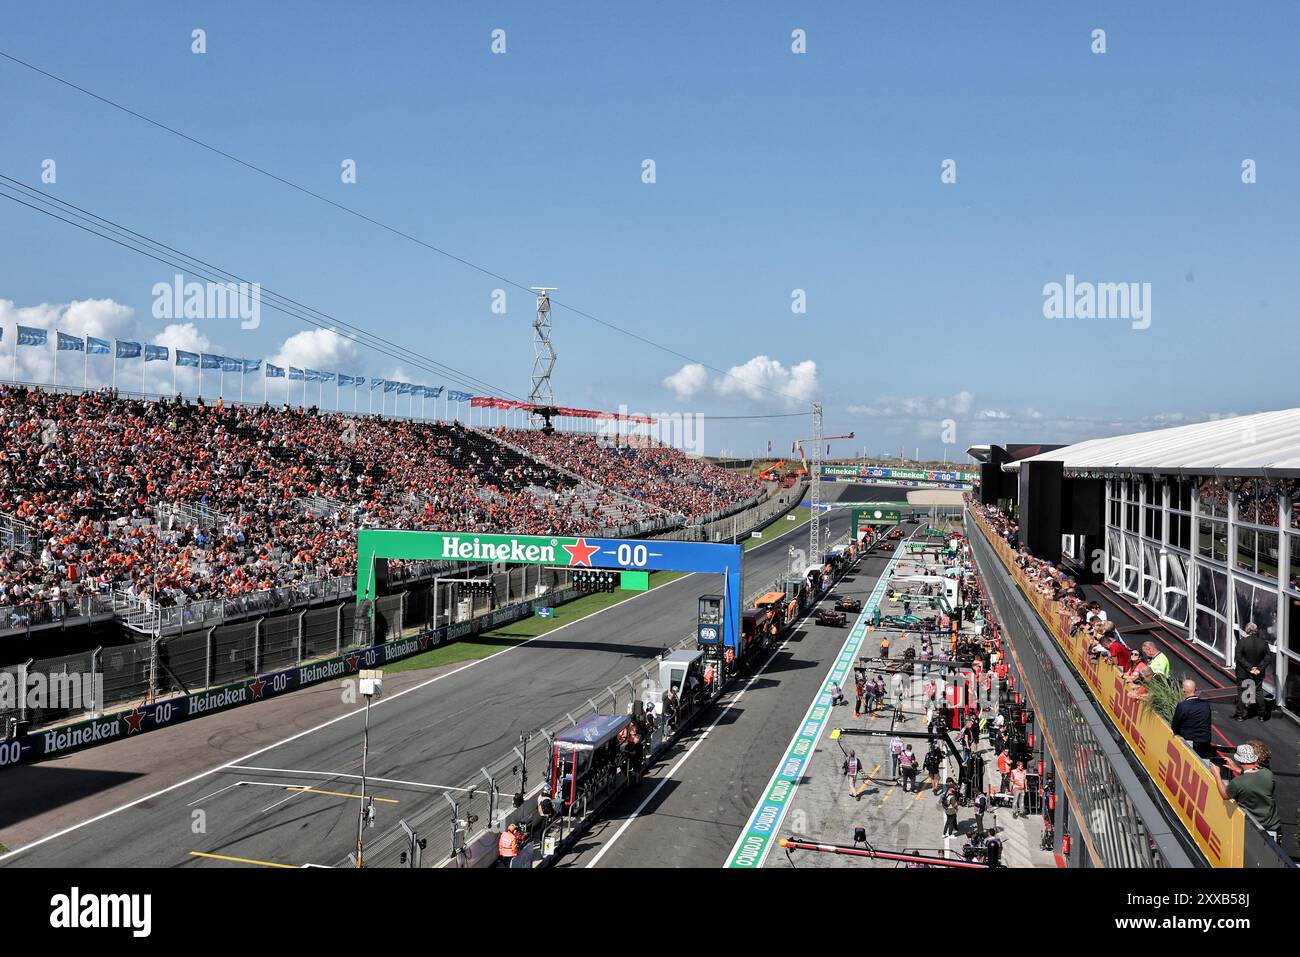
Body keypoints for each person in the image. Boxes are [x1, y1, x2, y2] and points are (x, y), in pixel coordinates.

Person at [1214, 743, 1281, 842]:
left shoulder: (1237, 783)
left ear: (1240, 760)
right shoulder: (1268, 774)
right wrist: (1237, 769)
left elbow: (1224, 795)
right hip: (1273, 826)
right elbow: (1253, 778)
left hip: (1253, 828)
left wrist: (1217, 775)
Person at [1233, 623, 1271, 721]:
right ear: (1256, 630)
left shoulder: (1242, 642)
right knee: (1258, 692)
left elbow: (1239, 657)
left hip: (1243, 672)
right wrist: (1258, 668)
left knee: (1242, 692)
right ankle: (1262, 715)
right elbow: (1267, 657)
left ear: (1246, 630)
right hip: (1258, 673)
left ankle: (1240, 715)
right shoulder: (1264, 643)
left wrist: (1250, 668)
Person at [1170, 679, 1213, 759]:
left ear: (1183, 691)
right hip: (1205, 740)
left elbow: (1175, 725)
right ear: (1195, 690)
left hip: (1191, 741)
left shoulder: (1182, 706)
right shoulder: (1205, 704)